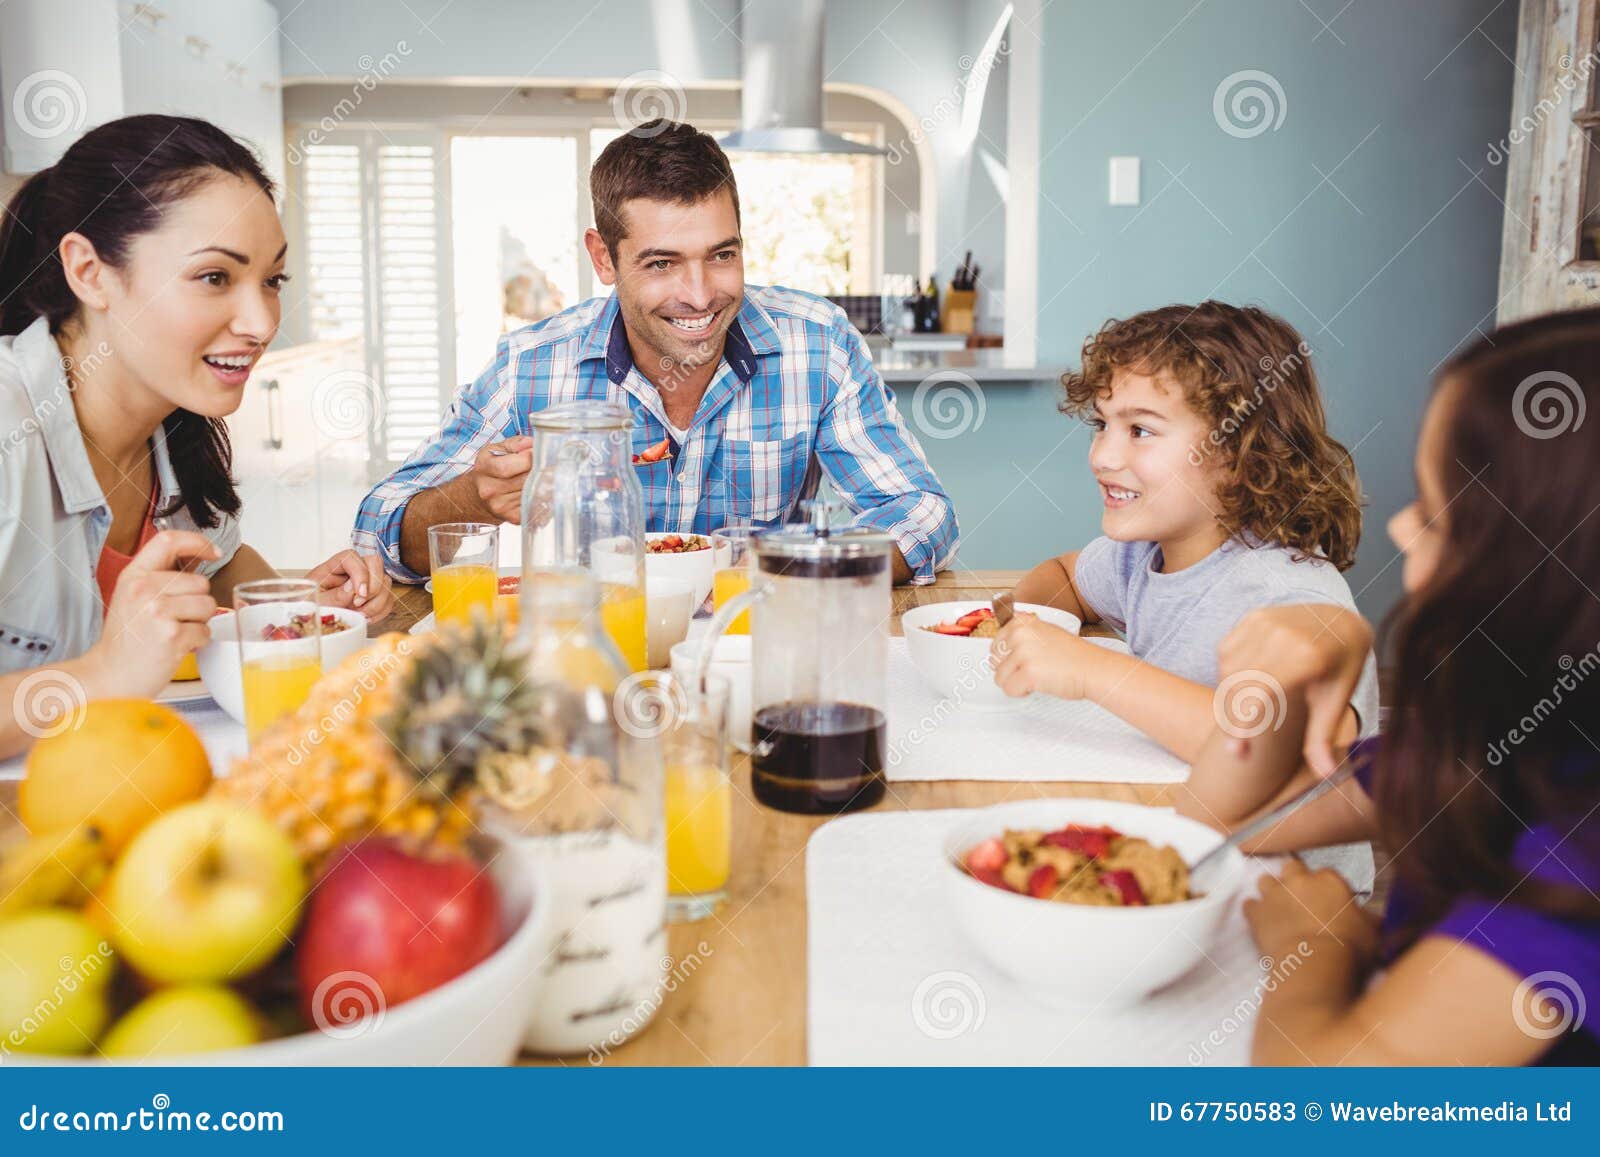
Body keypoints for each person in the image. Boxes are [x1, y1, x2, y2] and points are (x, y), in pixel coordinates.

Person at [1178, 308, 1600, 1065]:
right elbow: (1217, 820)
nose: (1402, 528)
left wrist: (1317, 942)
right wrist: (1321, 634)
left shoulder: (1576, 870)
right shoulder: (1502, 733)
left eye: (1440, 515)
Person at [354, 119, 957, 586]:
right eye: (662, 263)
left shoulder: (817, 344)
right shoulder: (533, 365)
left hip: (760, 645)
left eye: (721, 255)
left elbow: (919, 510)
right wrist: (472, 497)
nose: (699, 297)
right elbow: (380, 530)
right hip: (594, 658)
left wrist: (801, 574)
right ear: (602, 258)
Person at [0, 115, 392, 757]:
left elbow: (227, 576)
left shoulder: (173, 424)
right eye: (215, 277)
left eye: (272, 280)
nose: (262, 320)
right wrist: (104, 674)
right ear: (90, 272)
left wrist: (304, 603)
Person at [997, 302, 1379, 763]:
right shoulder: (1140, 556)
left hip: (1262, 838)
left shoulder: (1291, 594)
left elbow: (1277, 752)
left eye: (1140, 429)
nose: (1102, 456)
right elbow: (1064, 575)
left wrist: (1091, 670)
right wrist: (1027, 630)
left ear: (1241, 452)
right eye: (1102, 424)